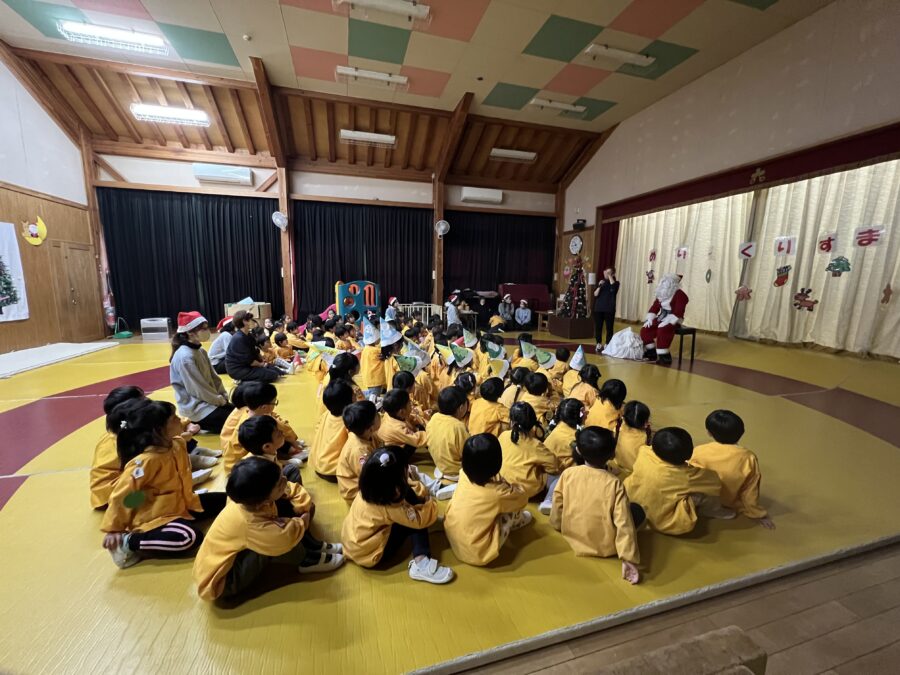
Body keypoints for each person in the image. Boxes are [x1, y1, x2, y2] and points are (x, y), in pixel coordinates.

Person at [193, 457, 344, 602]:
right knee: (276, 540)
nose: (285, 481)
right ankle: (306, 560)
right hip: (222, 581)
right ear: (263, 500)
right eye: (280, 483)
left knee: (283, 514)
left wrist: (297, 511)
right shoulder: (248, 522)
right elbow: (282, 538)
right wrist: (301, 523)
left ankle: (311, 547)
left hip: (225, 559)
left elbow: (290, 490)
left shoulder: (247, 498)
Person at [100, 399, 226, 568]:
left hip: (183, 503)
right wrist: (114, 528)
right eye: (174, 419)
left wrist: (189, 428)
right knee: (189, 538)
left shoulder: (175, 444)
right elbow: (124, 496)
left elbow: (183, 435)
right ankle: (129, 542)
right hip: (156, 517)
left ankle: (181, 519)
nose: (179, 420)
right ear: (158, 430)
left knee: (227, 500)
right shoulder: (145, 462)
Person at [342, 448, 454, 584]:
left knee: (410, 497)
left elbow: (408, 488)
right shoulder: (390, 505)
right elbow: (419, 520)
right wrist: (428, 501)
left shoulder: (372, 489)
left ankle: (430, 523)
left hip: (354, 543)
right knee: (418, 520)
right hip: (372, 554)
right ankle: (421, 563)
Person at [550, 426, 642, 584]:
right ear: (612, 454)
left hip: (571, 535)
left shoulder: (568, 474)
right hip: (604, 545)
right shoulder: (614, 483)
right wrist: (628, 558)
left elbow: (558, 504)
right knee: (637, 511)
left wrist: (558, 525)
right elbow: (623, 523)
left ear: (578, 450)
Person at [444, 434, 532, 566]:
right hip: (478, 552)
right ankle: (518, 521)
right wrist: (504, 483)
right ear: (498, 463)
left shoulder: (463, 474)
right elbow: (522, 499)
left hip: (452, 534)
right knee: (511, 507)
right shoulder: (498, 493)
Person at [624, 427, 729, 535]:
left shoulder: (644, 451)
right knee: (705, 492)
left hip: (630, 500)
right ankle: (713, 510)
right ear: (689, 453)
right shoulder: (688, 475)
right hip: (664, 521)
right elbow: (714, 481)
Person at [689, 410, 774, 529]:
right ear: (741, 432)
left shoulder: (698, 451)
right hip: (729, 500)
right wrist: (757, 513)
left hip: (703, 497)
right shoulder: (748, 458)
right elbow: (750, 490)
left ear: (709, 432)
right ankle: (716, 509)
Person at [222, 382, 307, 477]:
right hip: (241, 468)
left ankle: (285, 455)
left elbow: (281, 426)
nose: (275, 404)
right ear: (264, 407)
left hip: (251, 455)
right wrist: (286, 457)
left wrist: (292, 441)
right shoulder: (253, 425)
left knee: (276, 435)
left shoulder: (253, 412)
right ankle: (282, 461)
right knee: (276, 437)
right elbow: (281, 430)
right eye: (274, 402)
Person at [169, 311, 234, 433]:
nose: (207, 331)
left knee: (241, 413)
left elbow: (214, 377)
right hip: (197, 409)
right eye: (203, 329)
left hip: (211, 402)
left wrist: (223, 396)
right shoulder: (185, 357)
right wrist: (219, 401)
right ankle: (192, 424)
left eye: (207, 328)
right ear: (189, 332)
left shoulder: (200, 351)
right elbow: (198, 389)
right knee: (237, 423)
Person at [498, 402, 559, 499]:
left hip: (503, 486)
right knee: (557, 477)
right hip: (526, 493)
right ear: (533, 422)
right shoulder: (535, 444)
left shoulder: (503, 435)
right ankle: (548, 501)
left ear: (511, 422)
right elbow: (555, 468)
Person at [424, 387, 470, 500]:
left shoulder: (434, 418)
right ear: (461, 408)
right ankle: (456, 487)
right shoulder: (458, 427)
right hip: (456, 471)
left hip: (440, 466)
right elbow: (468, 455)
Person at [236, 415, 305, 484]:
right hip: (269, 489)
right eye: (278, 435)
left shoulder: (267, 452)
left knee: (291, 469)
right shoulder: (262, 469)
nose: (282, 432)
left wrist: (287, 462)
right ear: (267, 446)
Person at [309, 379, 354, 480]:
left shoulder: (326, 414)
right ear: (350, 400)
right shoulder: (350, 420)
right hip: (335, 472)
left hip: (318, 465)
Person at [337, 401, 382, 502]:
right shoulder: (359, 451)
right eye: (377, 415)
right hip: (355, 492)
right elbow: (369, 478)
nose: (379, 416)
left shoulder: (364, 433)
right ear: (370, 429)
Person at [641, 273, 689, 366]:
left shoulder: (680, 294)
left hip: (674, 319)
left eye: (665, 282)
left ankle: (665, 356)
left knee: (663, 329)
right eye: (663, 282)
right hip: (661, 317)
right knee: (646, 329)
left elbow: (678, 312)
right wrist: (650, 318)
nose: (663, 283)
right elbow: (655, 307)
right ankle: (651, 353)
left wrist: (668, 321)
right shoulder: (662, 293)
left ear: (673, 283)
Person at [225, 310, 281, 383]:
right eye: (250, 319)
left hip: (248, 365)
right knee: (272, 375)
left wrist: (262, 359)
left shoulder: (248, 335)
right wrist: (261, 364)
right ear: (244, 321)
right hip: (238, 369)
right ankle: (241, 379)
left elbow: (255, 350)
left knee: (274, 370)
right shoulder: (239, 338)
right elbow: (248, 360)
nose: (252, 322)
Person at [610, 401, 652, 477]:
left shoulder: (619, 427)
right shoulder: (644, 437)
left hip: (616, 462)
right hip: (634, 469)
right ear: (644, 423)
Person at [593, 268, 620, 352]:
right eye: (605, 272)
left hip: (609, 309)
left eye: (608, 272)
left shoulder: (616, 283)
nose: (605, 274)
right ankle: (598, 343)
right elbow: (595, 294)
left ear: (612, 274)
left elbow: (613, 288)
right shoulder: (602, 283)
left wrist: (609, 275)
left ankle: (608, 343)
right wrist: (599, 286)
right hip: (598, 309)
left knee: (609, 328)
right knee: (598, 327)